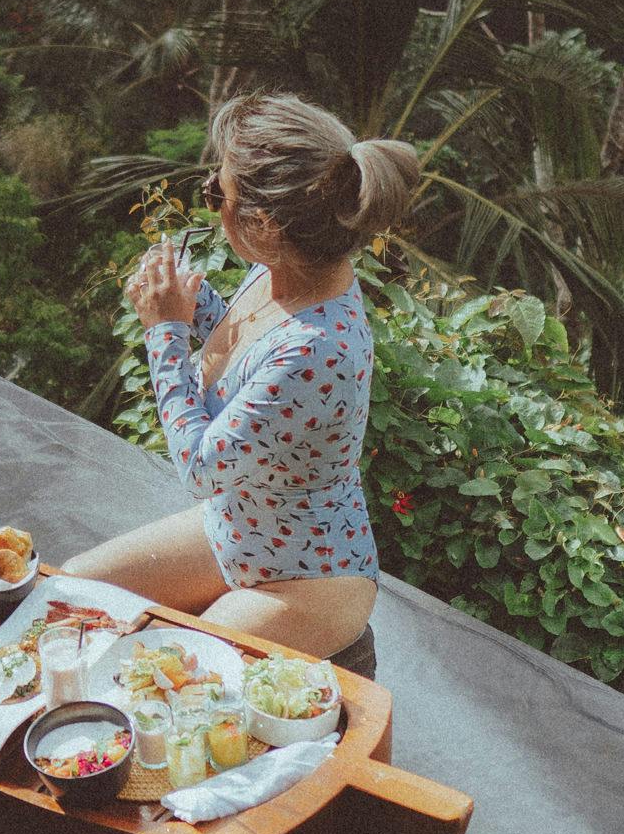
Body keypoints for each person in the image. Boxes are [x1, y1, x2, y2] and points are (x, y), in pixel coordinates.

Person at [65, 94, 419, 659]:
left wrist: (165, 333)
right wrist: (188, 300)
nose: (211, 203)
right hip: (239, 527)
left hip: (307, 579)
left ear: (265, 223)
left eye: (217, 194)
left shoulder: (319, 349)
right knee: (68, 595)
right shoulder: (282, 271)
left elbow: (200, 468)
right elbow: (248, 348)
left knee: (155, 672)